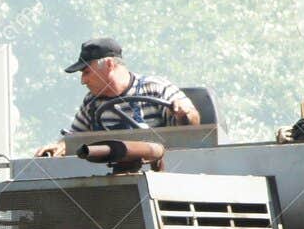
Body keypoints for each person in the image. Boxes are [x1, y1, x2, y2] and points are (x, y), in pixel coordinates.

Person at [33, 36, 201, 158]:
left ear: (109, 65)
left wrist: (185, 112)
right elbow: (76, 138)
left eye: (86, 72)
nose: (83, 81)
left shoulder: (156, 88)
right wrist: (61, 146)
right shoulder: (92, 103)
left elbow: (191, 130)